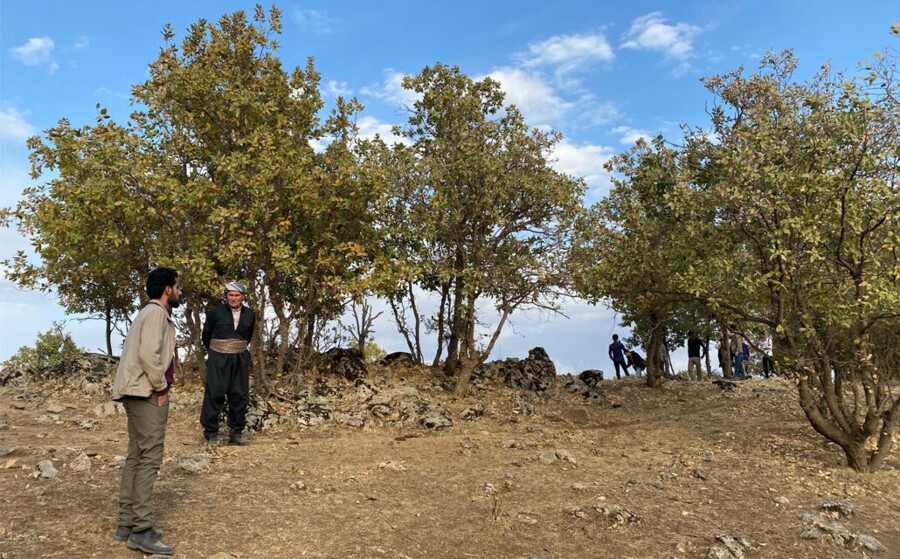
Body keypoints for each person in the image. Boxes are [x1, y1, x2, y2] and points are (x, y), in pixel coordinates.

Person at [111, 267, 181, 556]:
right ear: (167, 289)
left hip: (136, 391)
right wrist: (161, 387)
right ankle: (141, 530)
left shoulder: (148, 313)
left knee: (137, 456)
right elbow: (149, 356)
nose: (179, 291)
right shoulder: (155, 314)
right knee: (149, 457)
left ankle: (127, 524)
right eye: (177, 286)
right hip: (146, 392)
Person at [200, 281, 256, 445]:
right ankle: (211, 433)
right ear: (226, 296)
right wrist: (217, 352)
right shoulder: (215, 312)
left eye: (237, 295)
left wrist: (235, 349)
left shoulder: (250, 314)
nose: (233, 298)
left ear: (243, 297)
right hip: (218, 357)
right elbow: (206, 335)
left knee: (239, 394)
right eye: (230, 295)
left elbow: (248, 336)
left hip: (239, 358)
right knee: (215, 393)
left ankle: (236, 433)